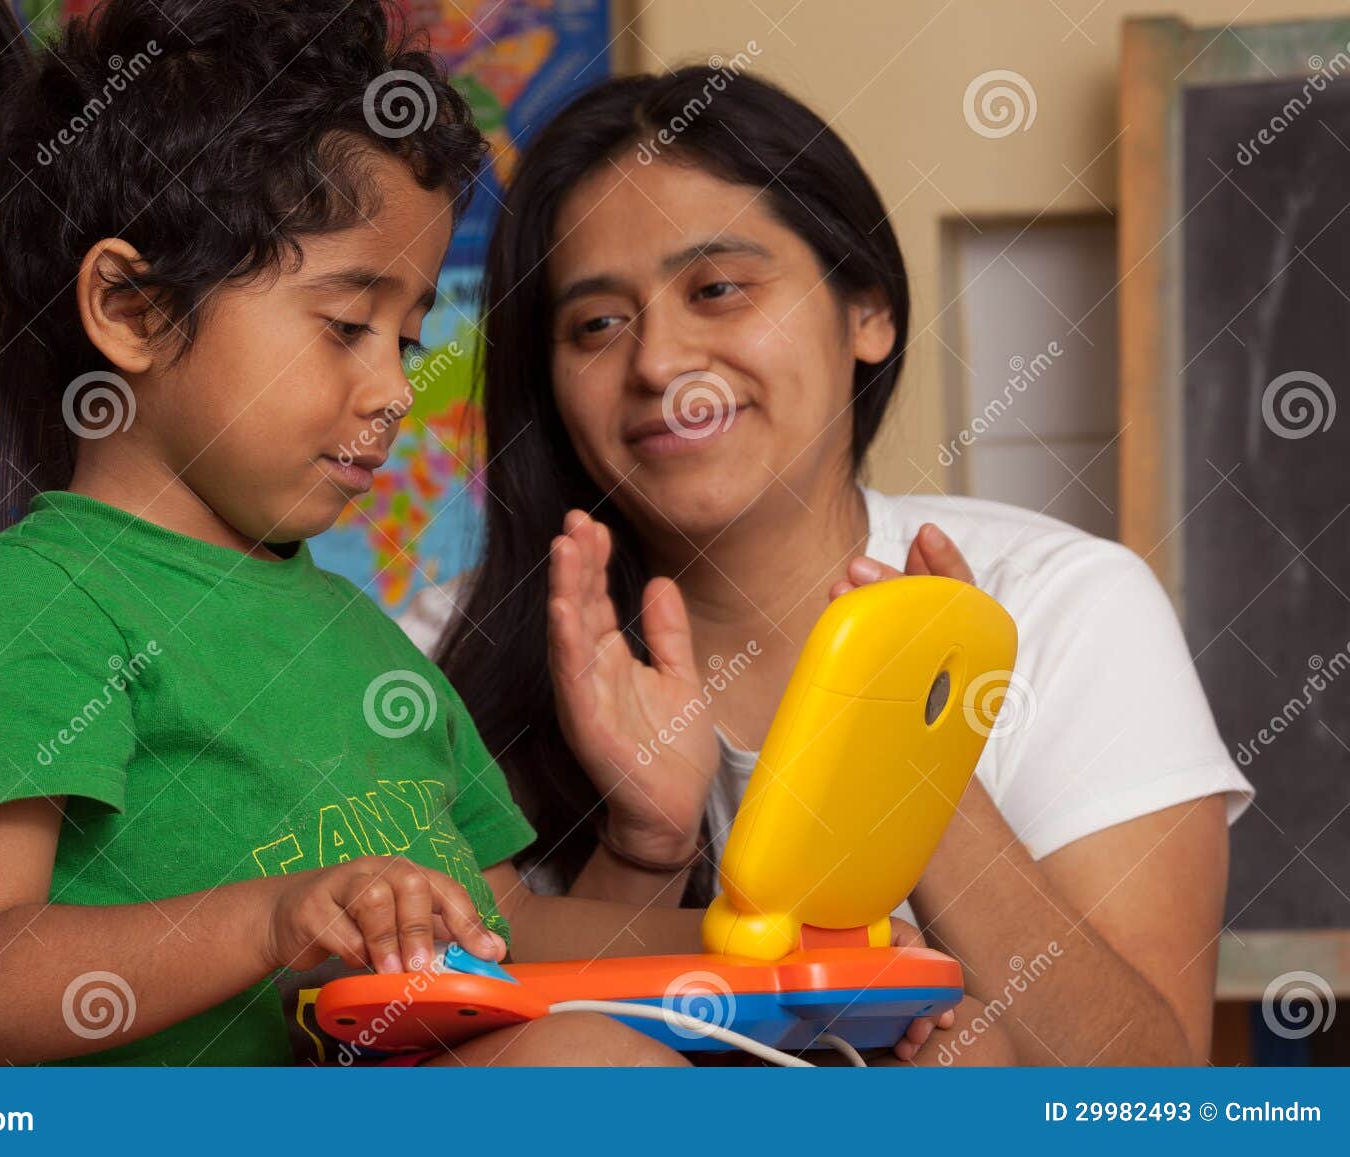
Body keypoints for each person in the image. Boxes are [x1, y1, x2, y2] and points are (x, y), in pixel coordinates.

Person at [0, 0, 715, 1068]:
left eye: (406, 339)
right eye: (345, 326)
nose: (394, 390)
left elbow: (506, 930)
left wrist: (783, 948)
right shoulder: (41, 602)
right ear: (134, 307)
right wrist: (273, 920)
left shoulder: (360, 638)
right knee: (585, 1066)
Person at [402, 67, 1254, 1066]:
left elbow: (1155, 1103)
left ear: (868, 311)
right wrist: (643, 848)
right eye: (597, 323)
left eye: (717, 289)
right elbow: (461, 1071)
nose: (659, 363)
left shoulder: (1067, 607)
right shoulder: (437, 654)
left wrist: (916, 773)